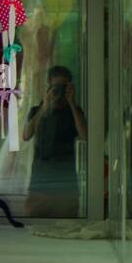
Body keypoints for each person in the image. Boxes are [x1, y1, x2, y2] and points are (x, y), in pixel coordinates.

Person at [24, 65, 87, 218]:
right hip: (40, 181)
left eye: (63, 87)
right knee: (35, 226)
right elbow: (26, 135)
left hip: (66, 182)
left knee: (66, 226)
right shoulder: (37, 110)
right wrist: (45, 106)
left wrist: (71, 103)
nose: (59, 92)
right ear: (48, 87)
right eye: (56, 87)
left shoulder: (74, 112)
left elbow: (85, 136)